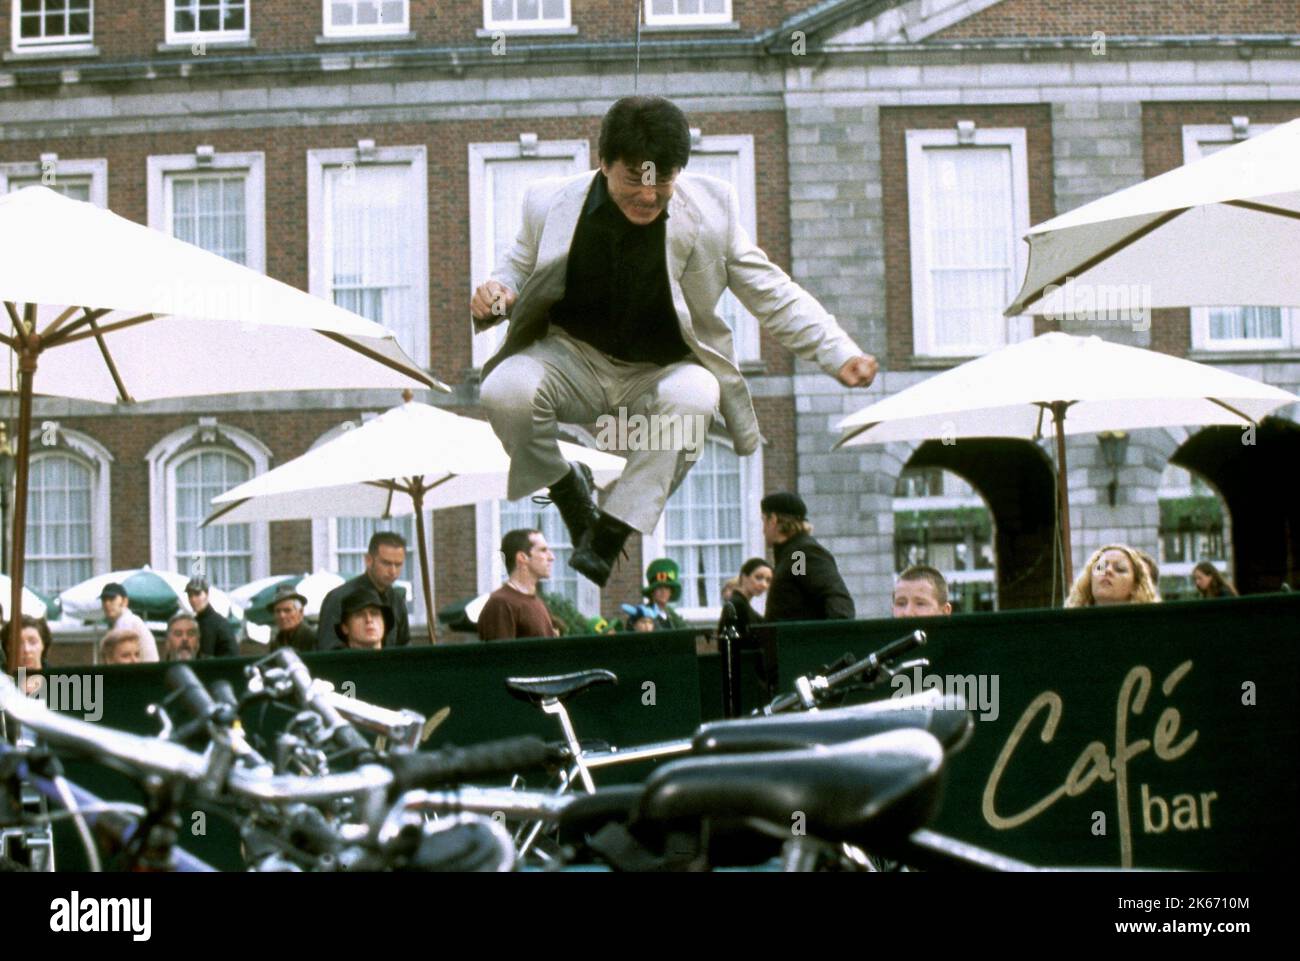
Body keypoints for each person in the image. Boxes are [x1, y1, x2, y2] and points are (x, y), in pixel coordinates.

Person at [472, 95, 878, 588]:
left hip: (659, 374)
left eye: (661, 184)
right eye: (633, 182)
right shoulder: (548, 202)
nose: (647, 197)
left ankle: (611, 531)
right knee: (501, 391)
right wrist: (497, 295)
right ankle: (564, 486)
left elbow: (772, 290)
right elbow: (516, 265)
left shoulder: (712, 211)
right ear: (603, 164)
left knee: (698, 392)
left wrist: (839, 351)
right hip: (569, 360)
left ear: (677, 172)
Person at [761, 492, 855, 622]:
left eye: (764, 520)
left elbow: (838, 601)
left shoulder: (799, 554)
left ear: (773, 520)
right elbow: (797, 593)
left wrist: (829, 639)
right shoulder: (794, 555)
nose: (763, 530)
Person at [317, 532, 411, 650]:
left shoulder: (397, 600)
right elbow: (328, 648)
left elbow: (404, 646)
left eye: (398, 564)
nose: (393, 571)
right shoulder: (338, 598)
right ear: (368, 560)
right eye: (386, 563)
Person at [478, 528, 559, 642]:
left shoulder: (536, 601)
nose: (551, 557)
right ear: (522, 557)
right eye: (543, 550)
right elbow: (499, 657)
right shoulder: (501, 604)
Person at [1066, 544, 1160, 608]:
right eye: (1100, 567)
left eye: (1120, 569)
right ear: (1089, 580)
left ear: (1136, 586)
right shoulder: (1068, 623)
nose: (1108, 570)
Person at [99, 582, 159, 663]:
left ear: (125, 601)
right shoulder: (128, 619)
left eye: (112, 599)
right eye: (104, 600)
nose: (107, 603)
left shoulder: (126, 621)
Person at [184, 578, 239, 659]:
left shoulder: (214, 623)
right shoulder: (199, 621)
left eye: (197, 594)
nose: (193, 599)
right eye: (190, 595)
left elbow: (205, 656)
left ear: (207, 594)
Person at [722, 557, 773, 638]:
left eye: (768, 580)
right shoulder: (737, 604)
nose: (764, 584)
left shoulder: (743, 604)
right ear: (744, 577)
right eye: (758, 577)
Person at [335, 586, 392, 651]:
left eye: (374, 613)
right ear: (345, 627)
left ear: (384, 623)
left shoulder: (399, 660)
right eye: (359, 615)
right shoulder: (334, 660)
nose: (369, 620)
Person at [268, 584, 317, 654]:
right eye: (277, 611)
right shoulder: (277, 641)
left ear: (301, 612)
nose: (282, 616)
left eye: (287, 610)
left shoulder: (312, 637)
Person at [642, 559, 688, 630]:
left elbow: (685, 631)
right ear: (652, 592)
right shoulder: (641, 615)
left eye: (667, 588)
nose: (663, 591)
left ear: (671, 592)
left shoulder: (672, 616)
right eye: (659, 587)